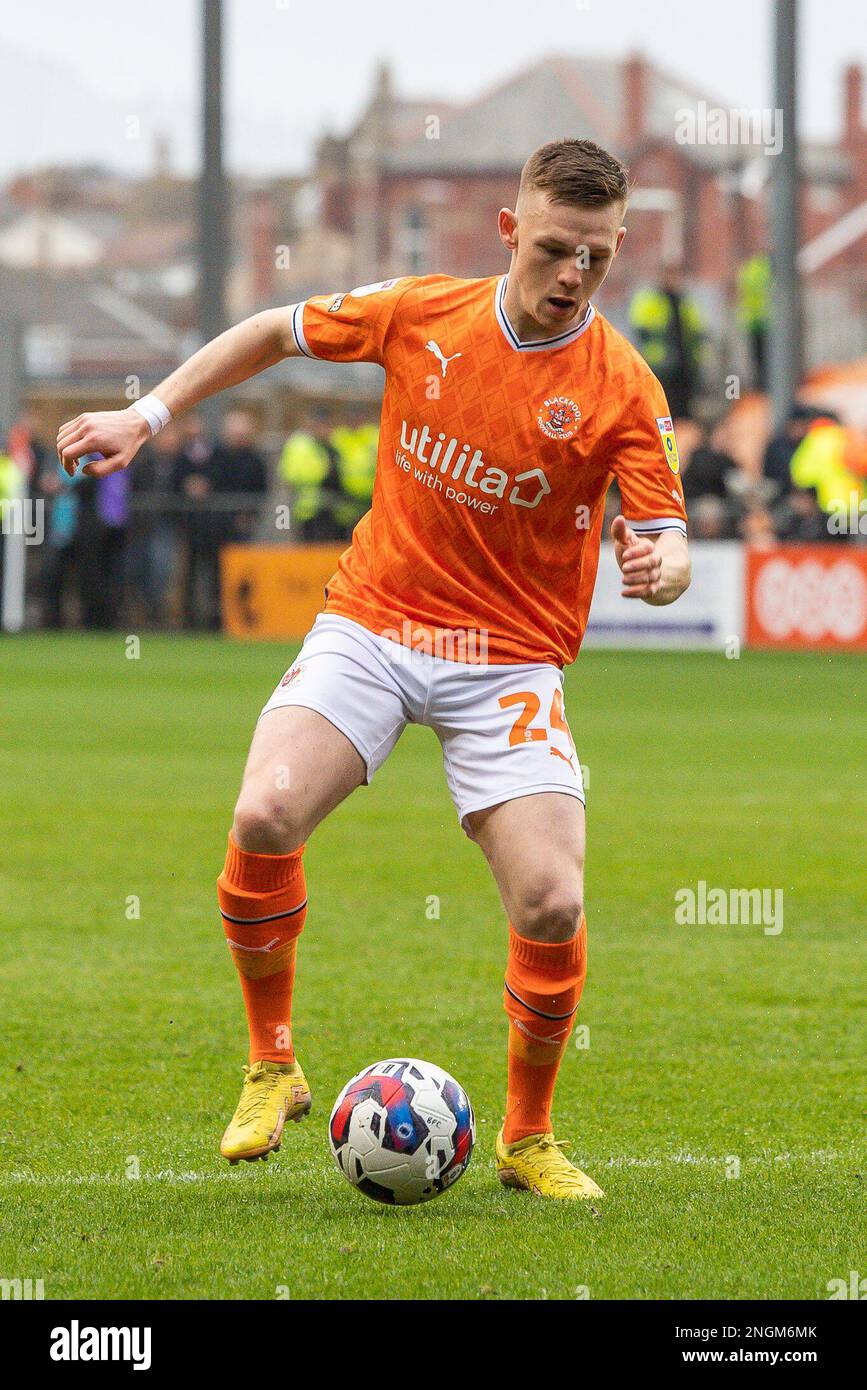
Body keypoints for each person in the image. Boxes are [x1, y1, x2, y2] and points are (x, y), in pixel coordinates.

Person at [56, 139, 691, 1201]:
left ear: (618, 245)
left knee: (549, 900)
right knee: (264, 812)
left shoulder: (622, 385)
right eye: (552, 249)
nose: (572, 275)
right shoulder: (420, 312)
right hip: (377, 624)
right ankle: (273, 1064)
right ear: (508, 232)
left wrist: (657, 564)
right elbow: (273, 330)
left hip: (510, 662)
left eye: (596, 256)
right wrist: (147, 414)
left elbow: (665, 548)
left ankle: (527, 1137)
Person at [628, 264, 705, 420]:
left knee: (684, 412)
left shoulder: (684, 301)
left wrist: (698, 359)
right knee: (663, 410)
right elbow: (642, 331)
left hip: (685, 367)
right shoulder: (650, 300)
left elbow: (697, 332)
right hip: (660, 367)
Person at [278, 405, 346, 540]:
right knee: (311, 548)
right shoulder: (300, 443)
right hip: (310, 509)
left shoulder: (333, 442)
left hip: (336, 509)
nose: (323, 428)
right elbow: (293, 473)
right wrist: (325, 470)